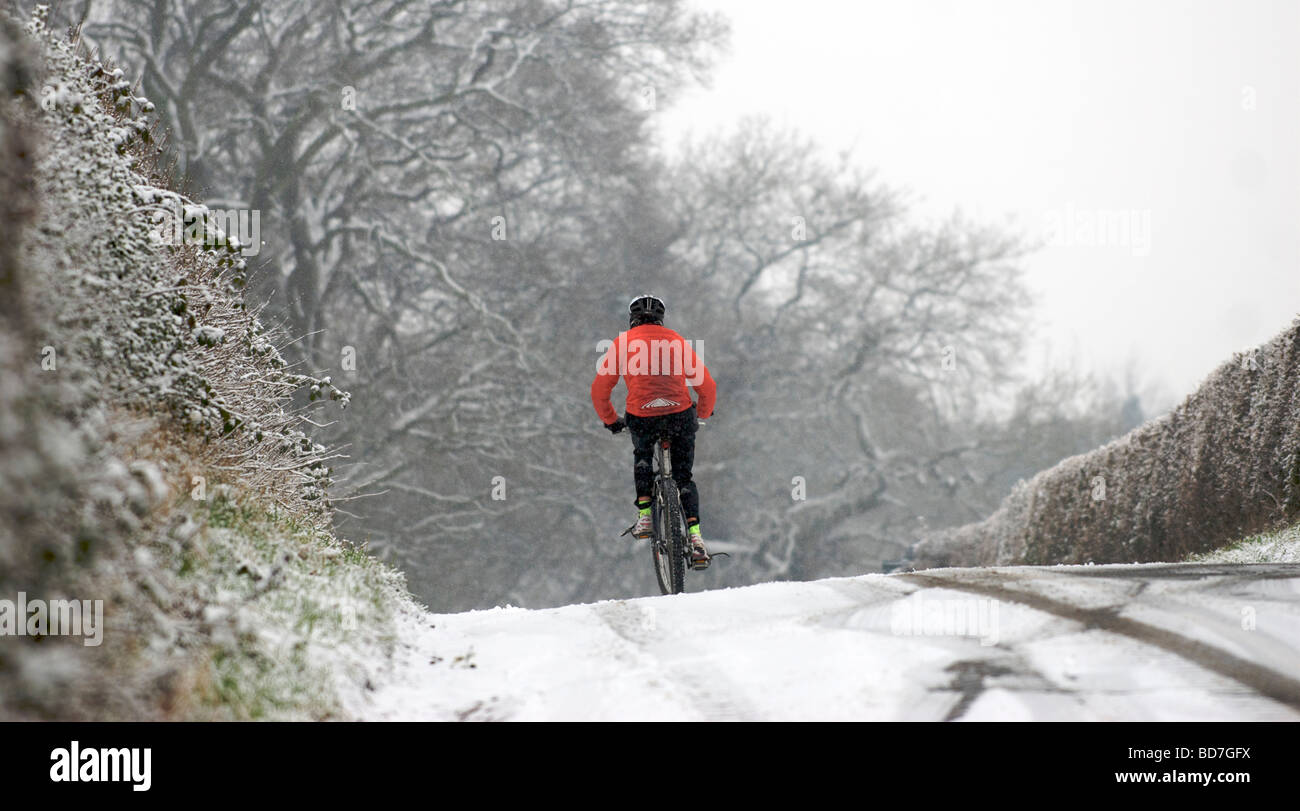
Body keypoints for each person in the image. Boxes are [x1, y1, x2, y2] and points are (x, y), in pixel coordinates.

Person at [591, 294, 717, 569]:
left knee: (643, 456)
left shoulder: (622, 343)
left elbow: (600, 390)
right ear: (661, 319)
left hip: (643, 417)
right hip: (680, 416)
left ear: (632, 320)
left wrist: (612, 420)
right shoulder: (676, 341)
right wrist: (702, 413)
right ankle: (696, 538)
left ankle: (646, 514)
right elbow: (706, 385)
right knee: (684, 478)